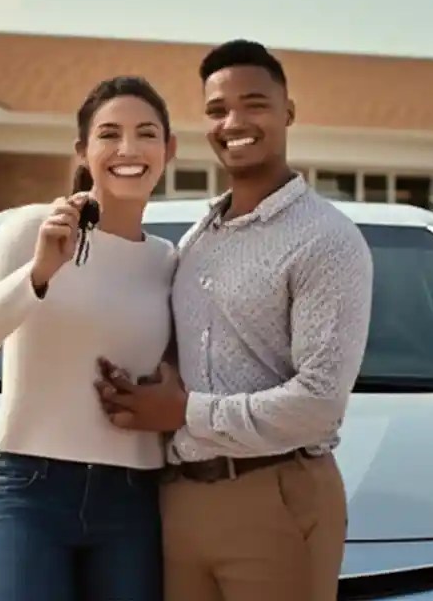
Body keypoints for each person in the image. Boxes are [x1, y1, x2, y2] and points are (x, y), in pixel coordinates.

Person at [95, 39, 374, 601]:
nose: (234, 122)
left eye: (254, 104)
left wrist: (184, 411)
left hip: (276, 495)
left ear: (288, 112)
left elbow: (320, 403)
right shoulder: (199, 237)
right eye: (218, 110)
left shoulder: (327, 239)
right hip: (179, 502)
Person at [0, 75, 178, 601]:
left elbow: (182, 372)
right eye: (109, 134)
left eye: (146, 134)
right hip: (31, 495)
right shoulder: (30, 230)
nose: (128, 149)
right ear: (83, 151)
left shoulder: (169, 261)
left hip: (134, 501)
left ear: (169, 149)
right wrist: (39, 273)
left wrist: (166, 400)